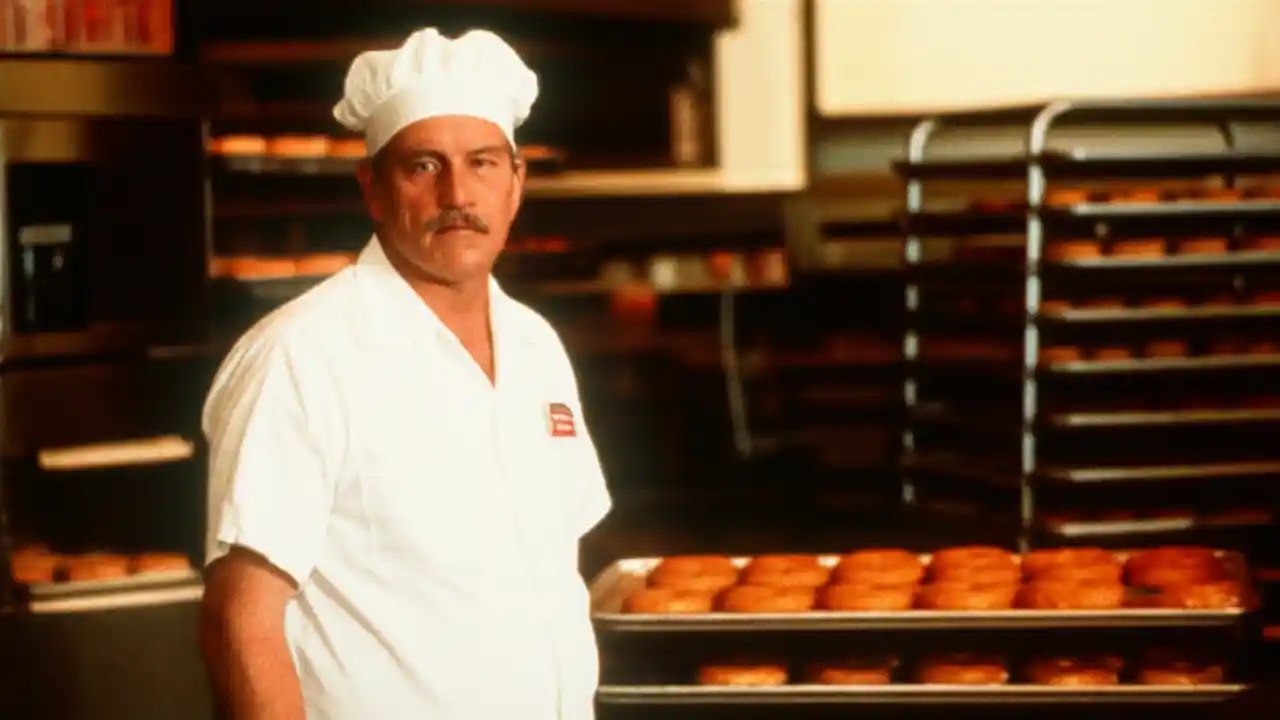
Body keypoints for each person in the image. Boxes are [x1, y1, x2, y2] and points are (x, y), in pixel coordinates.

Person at [199, 27, 612, 720]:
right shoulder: (302, 356)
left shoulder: (536, 346)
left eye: (482, 163)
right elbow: (240, 620)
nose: (457, 193)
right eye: (423, 165)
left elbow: (551, 569)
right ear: (372, 188)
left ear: (516, 184)